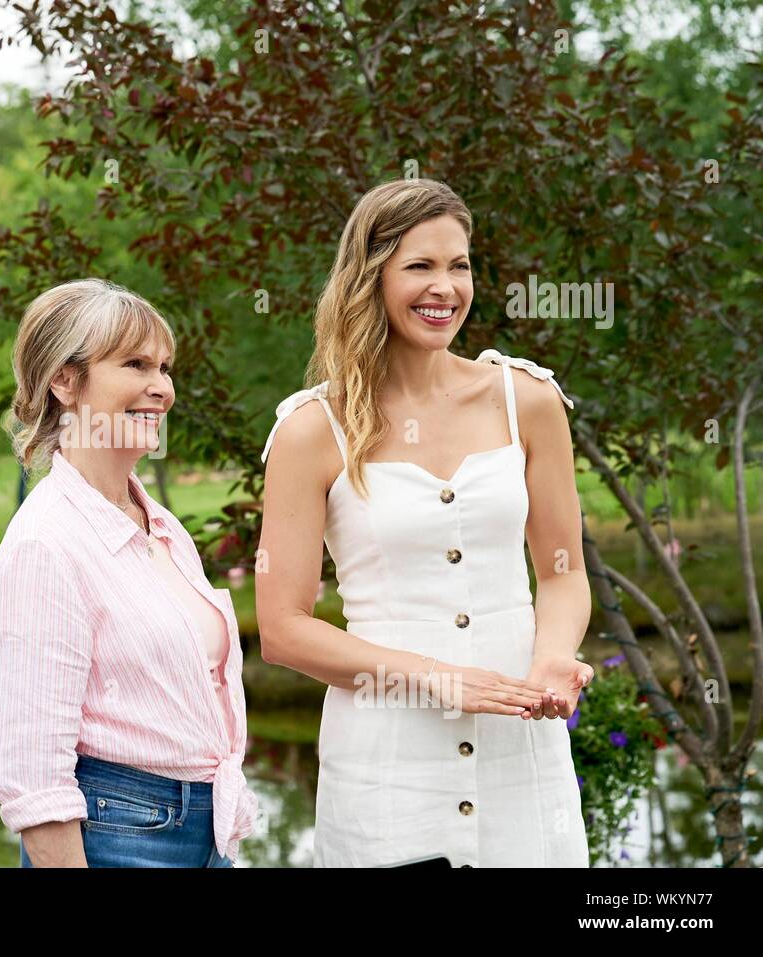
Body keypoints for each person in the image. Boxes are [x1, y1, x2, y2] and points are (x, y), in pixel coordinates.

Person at [257, 178, 593, 867]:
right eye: (420, 266)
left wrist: (554, 654)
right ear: (369, 276)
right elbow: (284, 628)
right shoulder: (310, 430)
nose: (445, 287)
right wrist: (434, 675)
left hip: (521, 760)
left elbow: (564, 573)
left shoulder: (526, 400)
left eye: (459, 265)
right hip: (385, 777)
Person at [0, 278, 259, 867]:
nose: (160, 387)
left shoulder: (157, 526)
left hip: (205, 833)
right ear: (64, 380)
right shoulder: (45, 545)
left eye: (164, 367)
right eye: (135, 364)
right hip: (119, 838)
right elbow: (35, 780)